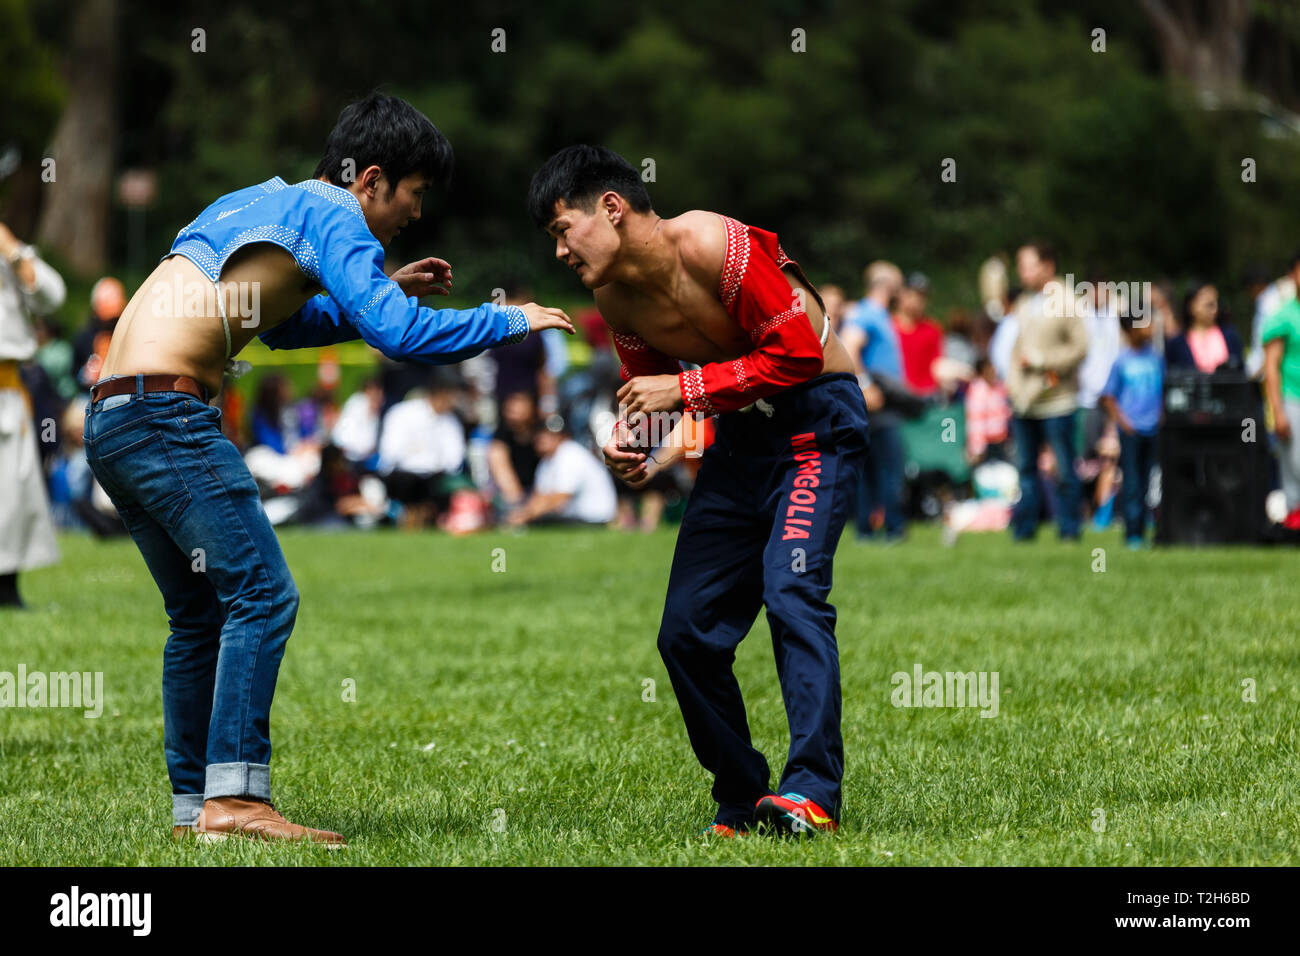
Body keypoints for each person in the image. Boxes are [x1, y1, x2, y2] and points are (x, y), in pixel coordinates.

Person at [83, 93, 574, 847]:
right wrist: (512, 319)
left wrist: (379, 293)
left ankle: (196, 809)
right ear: (370, 178)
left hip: (114, 416)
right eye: (413, 194)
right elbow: (400, 338)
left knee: (199, 616)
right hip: (166, 416)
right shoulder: (337, 217)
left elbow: (274, 326)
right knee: (263, 594)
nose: (415, 212)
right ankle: (237, 800)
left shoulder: (261, 203)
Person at [528, 145, 867, 837]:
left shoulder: (715, 243)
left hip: (814, 424)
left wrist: (680, 390)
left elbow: (799, 353)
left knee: (792, 589)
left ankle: (811, 794)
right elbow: (652, 398)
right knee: (685, 632)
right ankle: (742, 798)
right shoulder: (615, 298)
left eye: (564, 229)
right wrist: (633, 442)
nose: (561, 252)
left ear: (613, 209)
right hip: (740, 441)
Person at [0, 221, 64, 608]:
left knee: (11, 494)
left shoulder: (10, 257)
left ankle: (6, 588)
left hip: (6, 392)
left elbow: (52, 297)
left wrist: (13, 250)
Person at [1006, 241, 1088, 541]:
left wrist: (1043, 363)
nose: (1022, 272)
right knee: (1026, 469)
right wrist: (1014, 387)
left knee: (1064, 469)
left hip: (1058, 400)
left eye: (1028, 265)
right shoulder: (1025, 303)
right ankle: (1024, 530)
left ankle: (1069, 530)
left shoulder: (1067, 300)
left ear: (1048, 265)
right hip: (1025, 401)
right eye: (1021, 265)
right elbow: (1017, 351)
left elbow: (1080, 349)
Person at [841, 261, 908, 542]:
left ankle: (866, 530)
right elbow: (849, 345)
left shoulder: (877, 313)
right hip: (878, 404)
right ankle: (892, 529)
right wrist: (865, 386)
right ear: (888, 285)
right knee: (888, 468)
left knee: (869, 469)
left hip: (878, 403)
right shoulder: (867, 312)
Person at [1099, 315, 1164, 548]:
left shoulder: (1156, 358)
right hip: (1131, 431)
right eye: (1144, 323)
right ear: (1129, 329)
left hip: (1153, 428)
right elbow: (1107, 396)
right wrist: (1123, 422)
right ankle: (1132, 534)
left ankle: (1147, 529)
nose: (1150, 328)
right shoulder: (1122, 361)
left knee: (1149, 482)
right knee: (1133, 482)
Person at [508, 415, 616, 525]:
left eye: (550, 435)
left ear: (563, 437)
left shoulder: (570, 453)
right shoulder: (546, 461)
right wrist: (523, 512)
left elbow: (560, 498)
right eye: (541, 434)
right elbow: (539, 496)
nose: (543, 438)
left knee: (540, 522)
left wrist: (527, 516)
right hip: (576, 518)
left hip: (594, 519)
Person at [1261, 250, 1300, 520]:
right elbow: (1271, 367)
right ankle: (1293, 521)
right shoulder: (1283, 317)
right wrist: (1277, 411)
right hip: (1292, 397)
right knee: (1296, 465)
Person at [1166, 281, 1243, 373]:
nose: (1213, 309)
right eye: (1208, 305)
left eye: (1215, 303)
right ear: (1191, 305)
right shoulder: (1177, 343)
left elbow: (1240, 372)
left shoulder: (1230, 336)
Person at [891, 272, 943, 396]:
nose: (916, 300)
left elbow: (936, 364)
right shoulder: (887, 326)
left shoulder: (932, 329)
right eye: (912, 294)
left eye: (922, 296)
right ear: (900, 294)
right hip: (895, 395)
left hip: (926, 396)